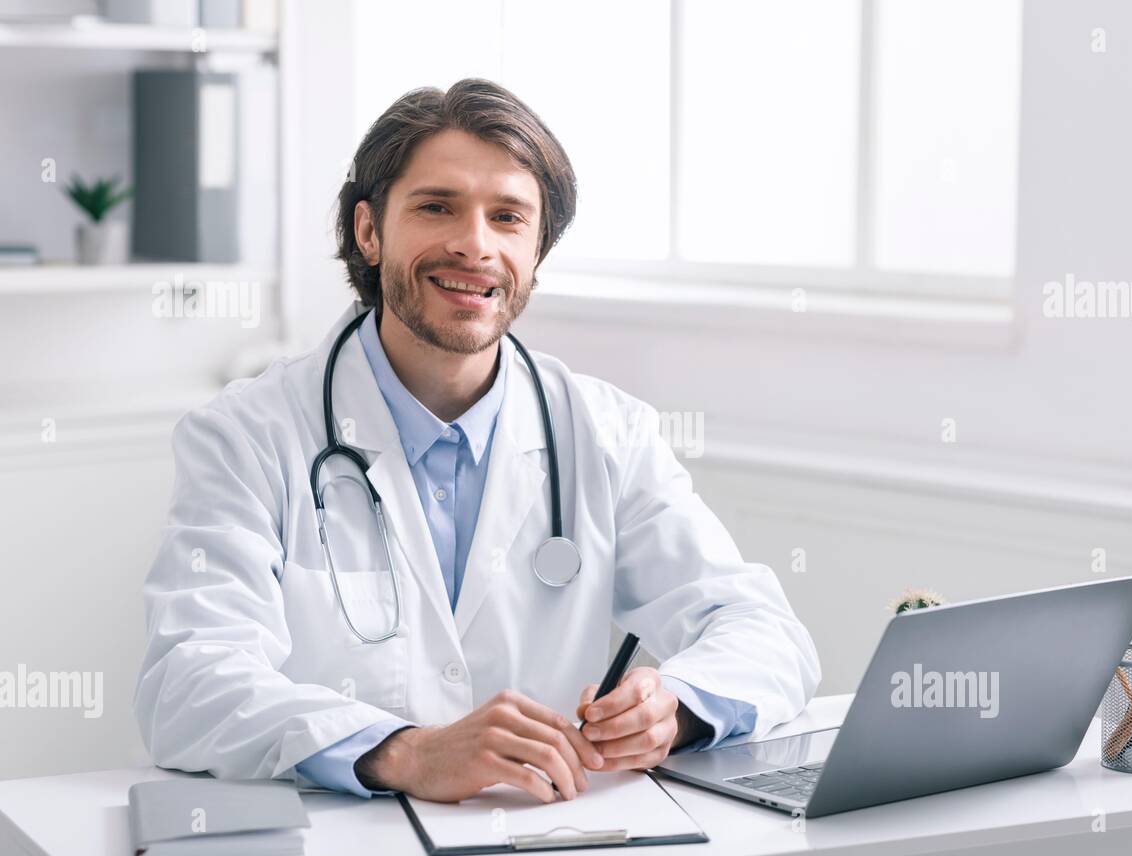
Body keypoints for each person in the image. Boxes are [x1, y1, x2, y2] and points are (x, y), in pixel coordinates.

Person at [135, 79, 820, 806]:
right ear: (368, 231)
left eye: (508, 217)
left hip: (556, 838)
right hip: (343, 841)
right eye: (437, 207)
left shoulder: (608, 433)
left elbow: (767, 633)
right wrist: (406, 752)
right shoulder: (247, 436)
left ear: (537, 249)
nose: (476, 245)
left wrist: (674, 708)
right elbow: (188, 682)